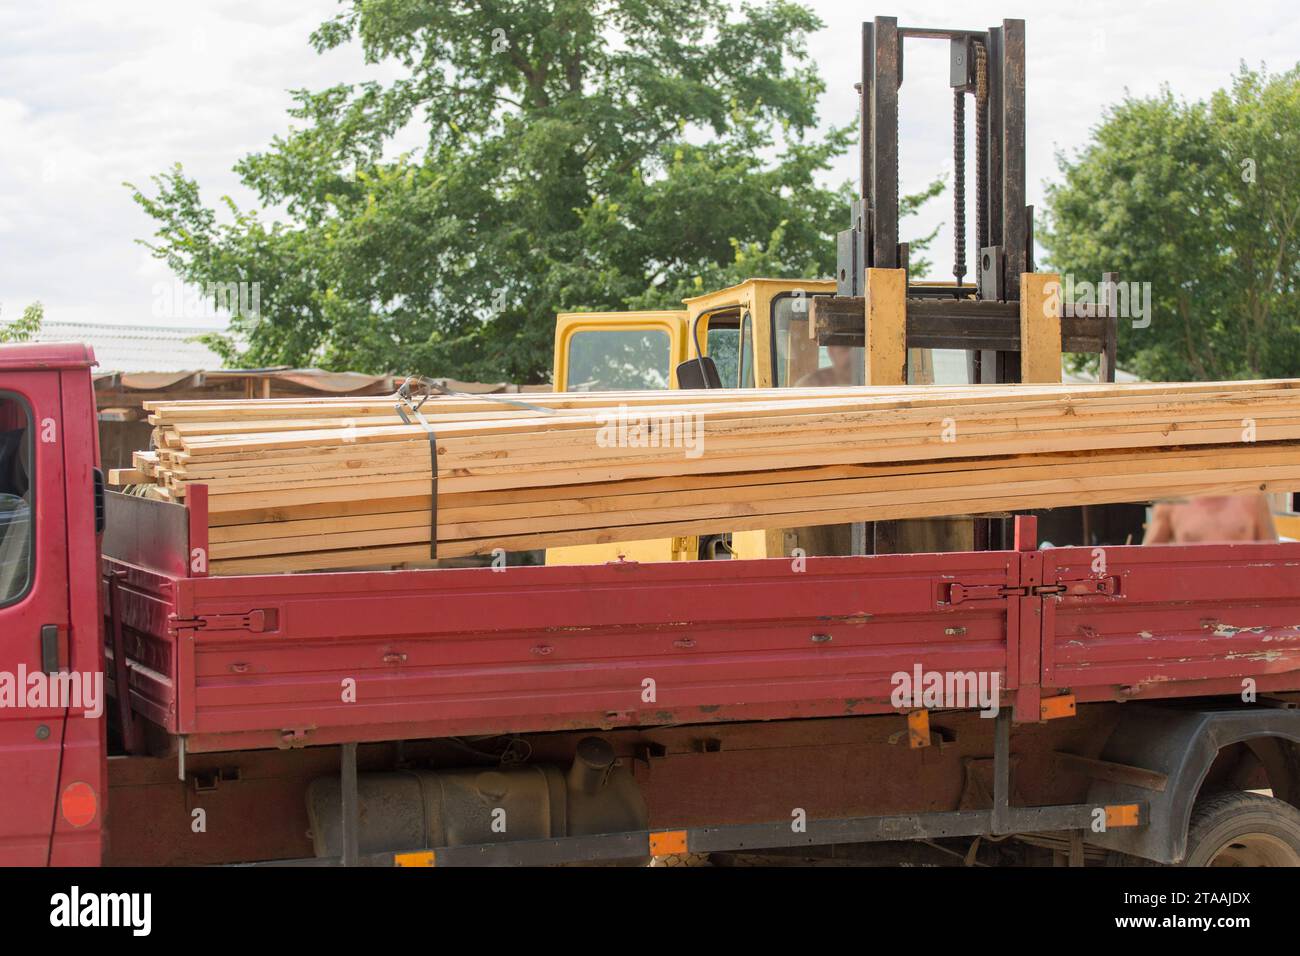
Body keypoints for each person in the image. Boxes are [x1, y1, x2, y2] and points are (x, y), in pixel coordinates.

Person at [1142, 494, 1278, 545]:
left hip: (1243, 599)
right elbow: (1146, 561)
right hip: (1191, 598)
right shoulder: (1171, 501)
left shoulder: (1253, 498)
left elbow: (1275, 561)